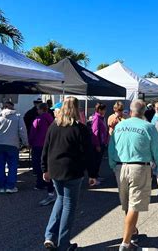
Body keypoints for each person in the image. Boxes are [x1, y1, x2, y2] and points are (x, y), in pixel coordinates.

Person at [108, 99, 158, 251]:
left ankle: (132, 231)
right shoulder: (148, 127)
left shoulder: (119, 126)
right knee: (134, 204)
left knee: (127, 203)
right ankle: (125, 243)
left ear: (130, 110)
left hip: (121, 166)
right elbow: (157, 150)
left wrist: (113, 166)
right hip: (139, 167)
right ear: (143, 111)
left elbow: (111, 148)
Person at [42, 97, 97, 251]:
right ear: (76, 109)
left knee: (60, 200)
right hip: (72, 171)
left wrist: (44, 168)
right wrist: (92, 174)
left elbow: (46, 149)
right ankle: (64, 243)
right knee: (69, 206)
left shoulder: (54, 126)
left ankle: (50, 236)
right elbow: (88, 153)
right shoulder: (80, 128)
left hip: (55, 169)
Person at [0, 101, 28, 193]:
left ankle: (2, 186)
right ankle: (10, 186)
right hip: (12, 145)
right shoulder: (18, 117)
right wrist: (26, 143)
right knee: (12, 165)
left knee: (0, 165)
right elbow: (22, 131)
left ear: (3, 107)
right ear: (13, 107)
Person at [29, 103, 56, 206]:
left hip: (38, 145)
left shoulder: (38, 120)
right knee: (48, 164)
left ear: (41, 110)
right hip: (49, 145)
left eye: (38, 109)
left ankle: (41, 183)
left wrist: (30, 143)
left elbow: (33, 132)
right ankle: (49, 183)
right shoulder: (52, 119)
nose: (37, 111)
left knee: (39, 164)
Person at [91, 103, 108, 184]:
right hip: (98, 144)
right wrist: (97, 145)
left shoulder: (101, 118)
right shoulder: (96, 118)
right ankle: (94, 178)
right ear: (100, 110)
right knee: (95, 161)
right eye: (104, 109)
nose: (105, 111)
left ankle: (96, 176)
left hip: (102, 143)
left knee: (98, 161)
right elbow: (95, 132)